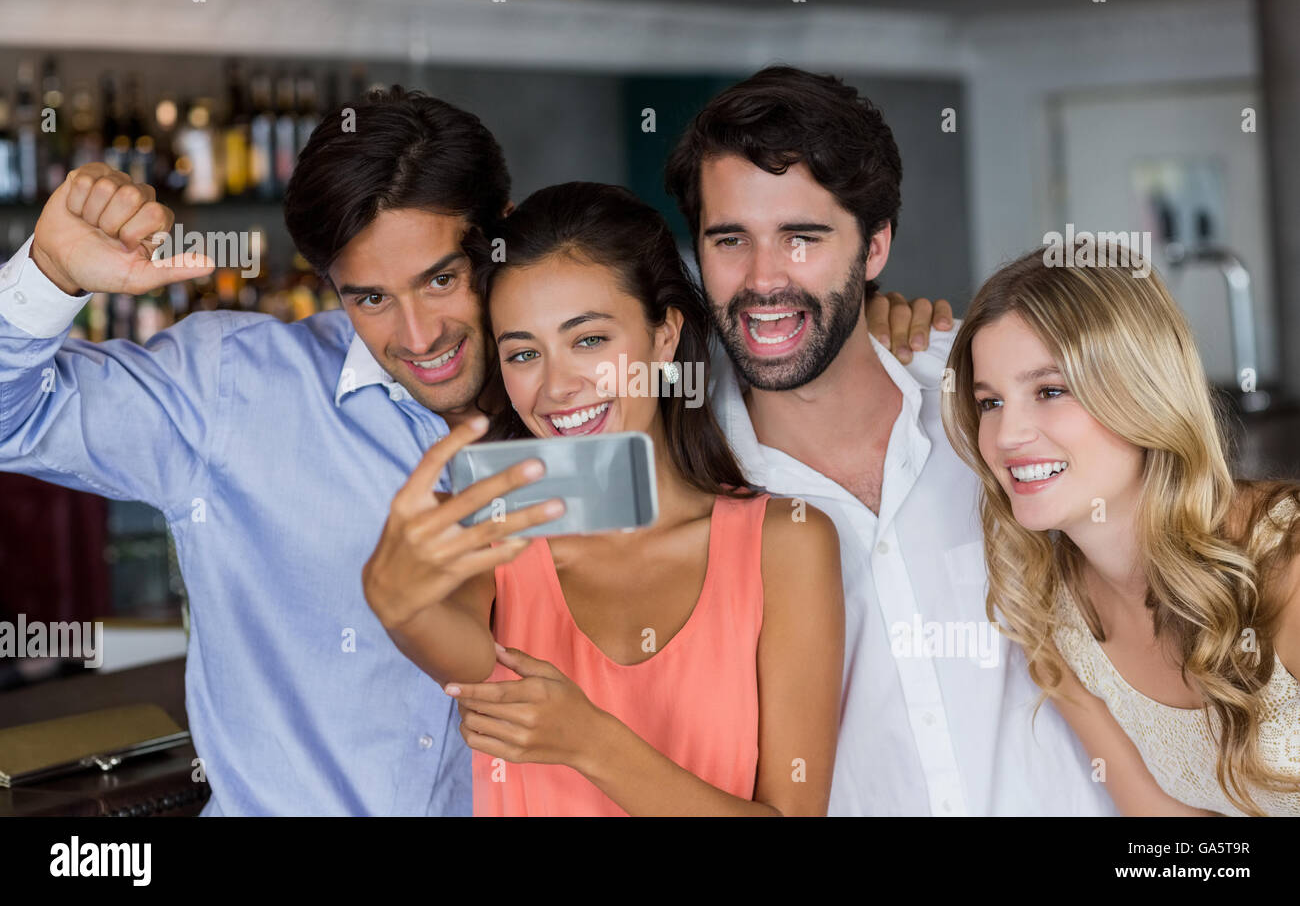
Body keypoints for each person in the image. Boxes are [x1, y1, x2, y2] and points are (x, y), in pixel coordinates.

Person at [0, 83, 936, 815]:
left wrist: (900, 331)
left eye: (441, 278)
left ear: (497, 243)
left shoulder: (617, 414)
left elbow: (783, 354)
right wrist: (46, 279)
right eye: (368, 297)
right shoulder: (231, 392)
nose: (417, 335)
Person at [664, 65, 1116, 815]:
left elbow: (1168, 534)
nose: (762, 278)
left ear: (874, 249)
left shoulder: (992, 400)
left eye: (802, 237)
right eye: (730, 239)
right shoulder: (688, 476)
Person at [362, 182, 845, 815]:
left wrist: (592, 744)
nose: (558, 386)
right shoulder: (500, 535)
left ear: (665, 337)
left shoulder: (787, 542)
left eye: (588, 340)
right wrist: (395, 603)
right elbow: (456, 652)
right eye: (524, 353)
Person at [940, 243, 1300, 816]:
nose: (1006, 437)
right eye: (990, 403)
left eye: (1050, 391)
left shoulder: (1286, 563)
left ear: (1141, 392)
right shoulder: (1049, 607)